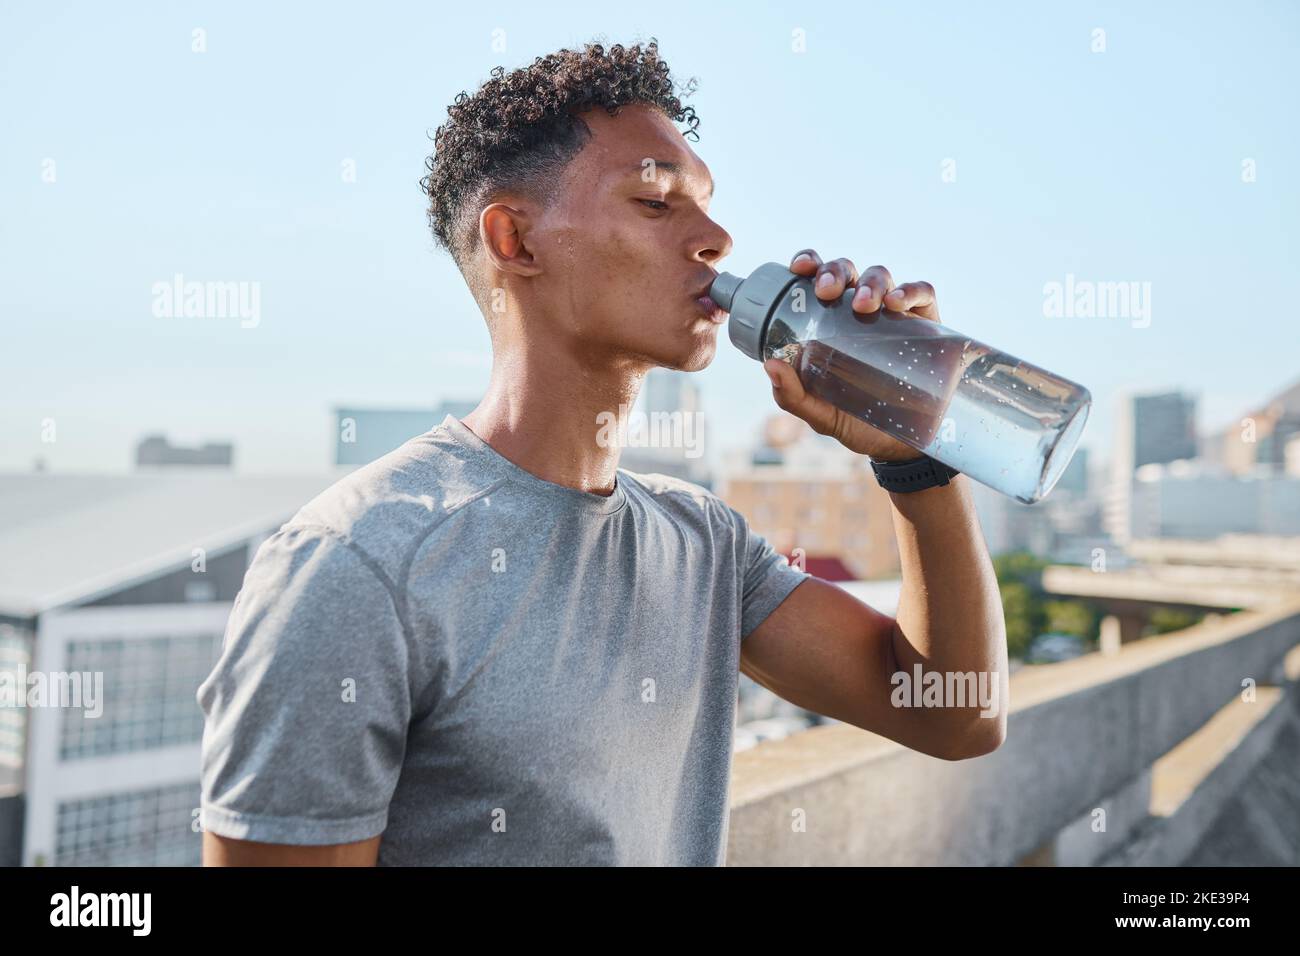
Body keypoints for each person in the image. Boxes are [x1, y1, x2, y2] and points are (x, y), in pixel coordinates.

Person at [197, 38, 1006, 867]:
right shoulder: (359, 565)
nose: (718, 238)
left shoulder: (705, 544)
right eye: (656, 204)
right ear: (515, 241)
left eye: (708, 204)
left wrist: (918, 463)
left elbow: (954, 715)